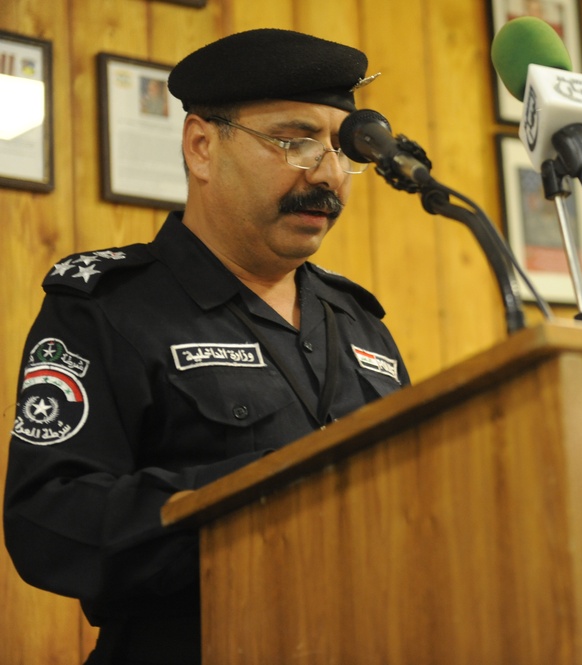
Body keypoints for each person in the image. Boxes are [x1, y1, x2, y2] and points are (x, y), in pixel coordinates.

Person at [3, 28, 410, 664]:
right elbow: (48, 522)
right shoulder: (108, 307)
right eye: (294, 140)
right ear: (201, 147)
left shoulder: (361, 325)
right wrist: (261, 501)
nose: (329, 174)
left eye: (339, 147)